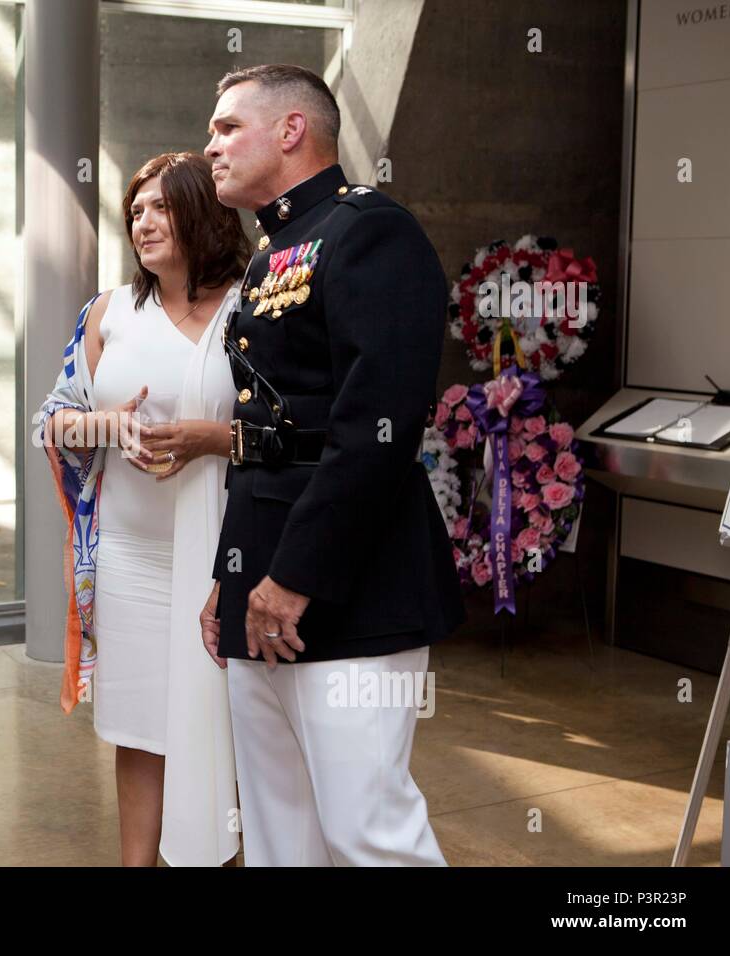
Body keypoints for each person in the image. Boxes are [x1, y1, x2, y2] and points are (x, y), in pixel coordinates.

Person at [199, 64, 465, 866]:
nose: (208, 146)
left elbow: (371, 428)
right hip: (266, 576)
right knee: (283, 834)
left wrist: (295, 573)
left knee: (367, 830)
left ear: (291, 131)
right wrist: (234, 572)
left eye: (226, 128)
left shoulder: (369, 232)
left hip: (350, 582)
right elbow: (266, 432)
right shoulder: (274, 250)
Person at [37, 152, 250, 866]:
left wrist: (207, 440)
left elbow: (287, 432)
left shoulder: (252, 311)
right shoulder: (109, 312)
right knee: (140, 727)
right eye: (134, 212)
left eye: (161, 207)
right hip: (130, 556)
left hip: (226, 558)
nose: (144, 223)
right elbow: (55, 421)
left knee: (225, 723)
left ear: (204, 212)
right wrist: (109, 427)